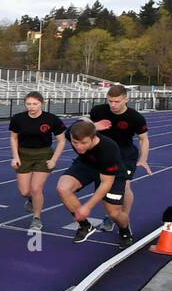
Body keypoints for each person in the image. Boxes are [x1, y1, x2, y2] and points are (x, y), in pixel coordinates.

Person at [58, 120, 134, 248]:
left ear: (93, 138)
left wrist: (87, 207)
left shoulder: (108, 149)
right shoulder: (71, 133)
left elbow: (106, 183)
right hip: (86, 164)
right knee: (63, 188)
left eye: (84, 143)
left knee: (114, 213)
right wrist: (93, 125)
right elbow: (80, 122)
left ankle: (125, 231)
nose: (79, 147)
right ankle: (85, 226)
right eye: (75, 143)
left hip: (110, 174)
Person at [87, 84, 151, 231]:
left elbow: (144, 139)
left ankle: (123, 220)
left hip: (125, 154)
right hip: (103, 154)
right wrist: (93, 124)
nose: (113, 105)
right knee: (105, 186)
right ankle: (111, 215)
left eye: (117, 101)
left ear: (126, 99)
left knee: (125, 186)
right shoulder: (99, 111)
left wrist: (143, 159)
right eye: (110, 101)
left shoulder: (135, 117)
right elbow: (87, 124)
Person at [8, 92, 67, 230]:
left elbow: (62, 141)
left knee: (36, 188)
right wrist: (15, 156)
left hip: (43, 155)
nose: (31, 107)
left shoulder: (51, 119)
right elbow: (13, 138)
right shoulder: (18, 119)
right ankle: (31, 199)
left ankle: (37, 218)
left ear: (42, 103)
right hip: (23, 155)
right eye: (28, 104)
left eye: (35, 104)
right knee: (24, 191)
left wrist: (54, 160)